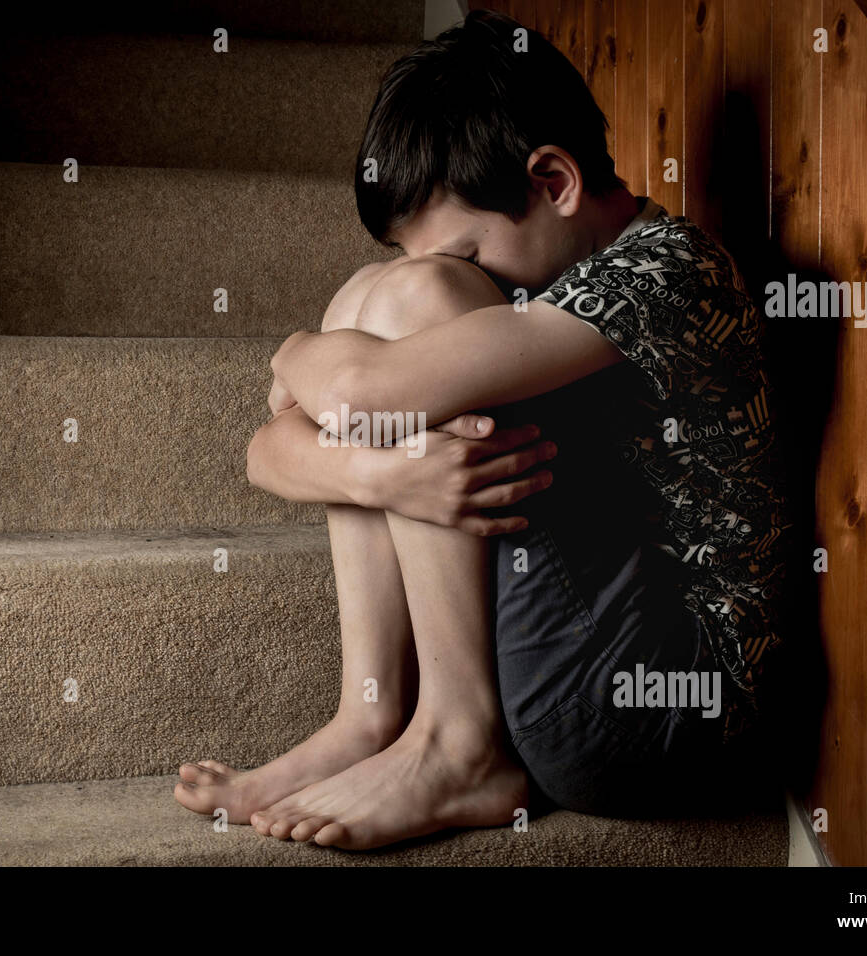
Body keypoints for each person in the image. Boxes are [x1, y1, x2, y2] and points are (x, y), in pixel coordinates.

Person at [173, 9, 790, 850]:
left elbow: (348, 395)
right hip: (582, 670)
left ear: (553, 182)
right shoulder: (557, 271)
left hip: (662, 705)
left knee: (401, 308)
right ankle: (374, 712)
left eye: (463, 255)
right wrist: (381, 475)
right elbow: (266, 451)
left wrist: (293, 354)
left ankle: (460, 743)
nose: (449, 275)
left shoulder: (670, 271)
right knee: (372, 297)